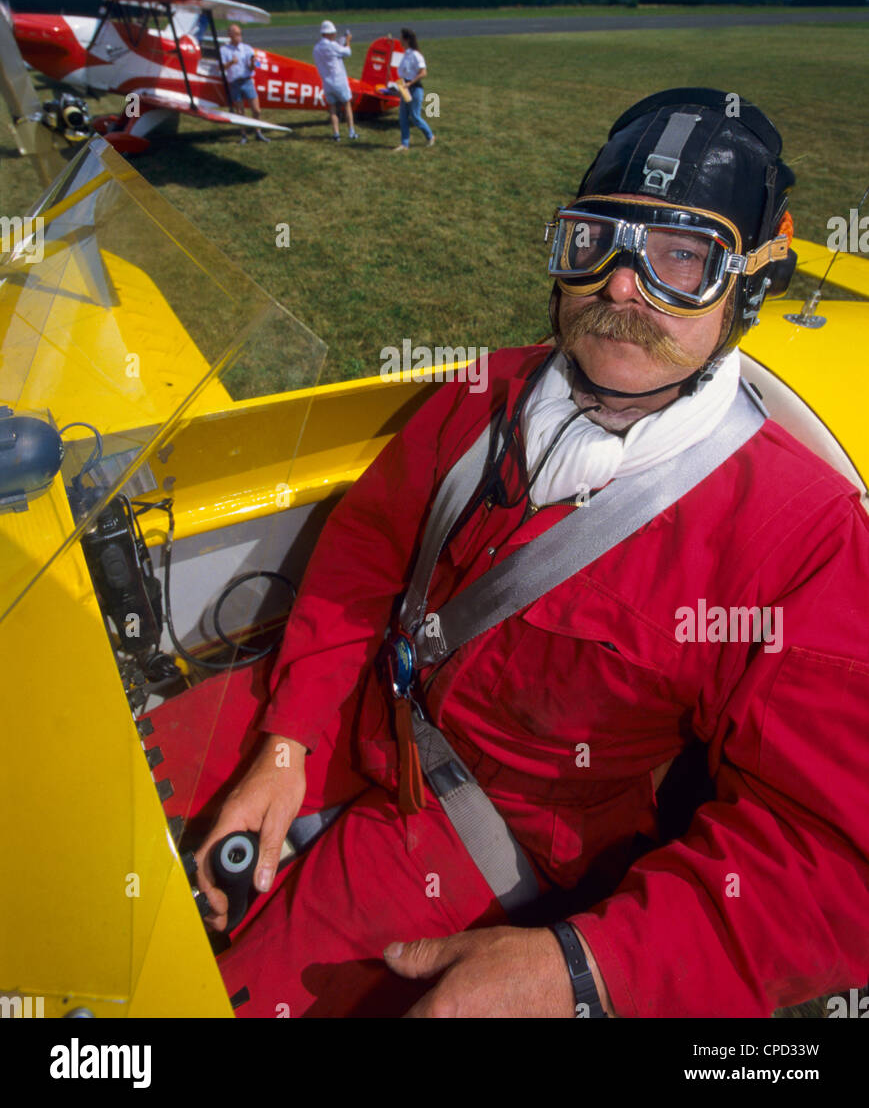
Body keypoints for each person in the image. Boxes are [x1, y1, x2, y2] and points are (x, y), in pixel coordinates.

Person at [149, 88, 869, 1019]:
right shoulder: (479, 392)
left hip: (480, 837)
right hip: (344, 706)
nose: (620, 286)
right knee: (97, 818)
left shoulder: (801, 533)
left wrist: (586, 971)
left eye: (679, 260)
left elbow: (833, 855)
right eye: (596, 243)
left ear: (748, 286)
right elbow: (365, 558)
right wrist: (287, 746)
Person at [219, 22, 267, 143]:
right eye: (236, 34)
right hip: (234, 83)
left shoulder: (246, 48)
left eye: (240, 34)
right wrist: (231, 62)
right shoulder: (224, 50)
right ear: (230, 35)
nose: (239, 37)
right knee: (240, 112)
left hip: (247, 81)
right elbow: (220, 68)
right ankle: (243, 135)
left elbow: (254, 66)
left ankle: (258, 131)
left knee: (256, 110)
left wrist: (253, 63)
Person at [312, 20, 358, 141]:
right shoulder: (333, 45)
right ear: (328, 33)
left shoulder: (316, 48)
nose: (334, 35)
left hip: (326, 82)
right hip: (339, 80)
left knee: (332, 109)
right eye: (332, 33)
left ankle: (336, 134)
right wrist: (347, 41)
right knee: (347, 105)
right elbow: (348, 52)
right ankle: (351, 132)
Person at [393, 27, 435, 152]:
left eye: (400, 37)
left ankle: (430, 136)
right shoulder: (405, 54)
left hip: (414, 88)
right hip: (404, 86)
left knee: (415, 116)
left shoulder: (416, 55)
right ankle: (404, 144)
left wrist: (410, 83)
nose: (399, 39)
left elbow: (423, 73)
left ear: (405, 39)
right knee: (403, 116)